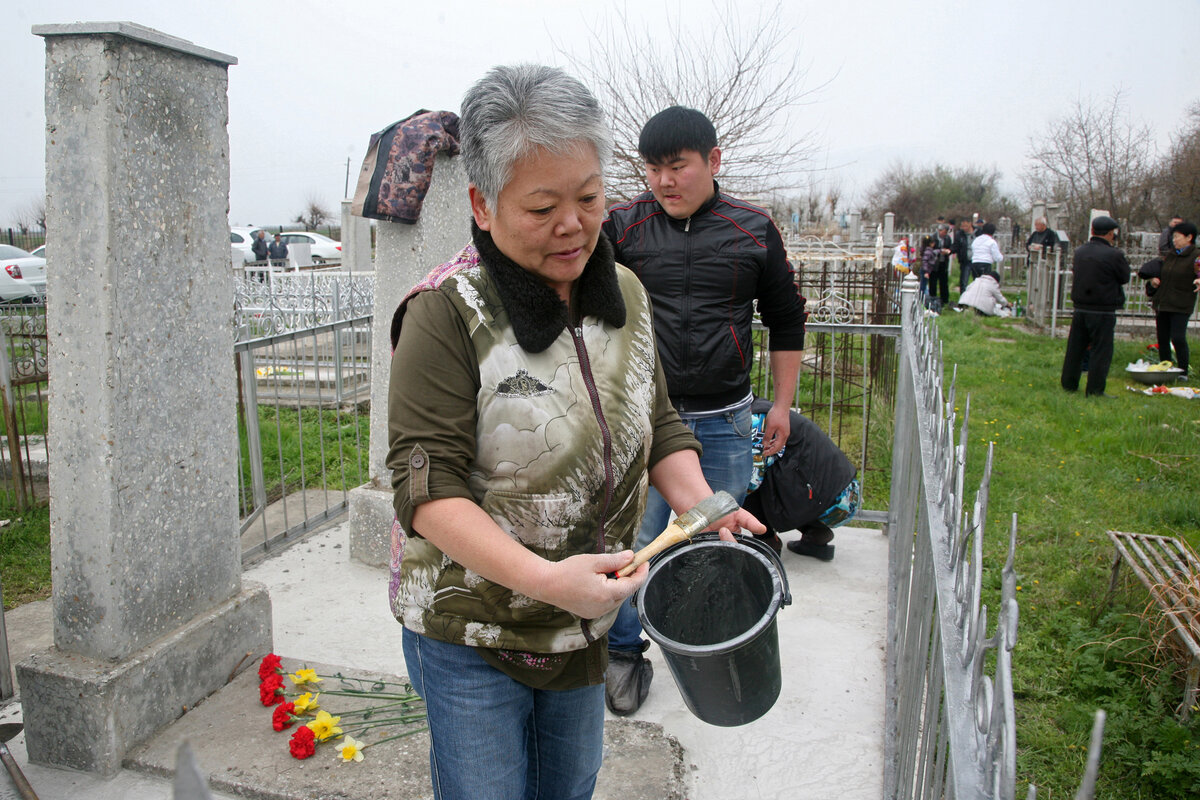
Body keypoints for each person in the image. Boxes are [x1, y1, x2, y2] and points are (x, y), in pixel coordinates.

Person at [386, 65, 763, 800]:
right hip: (474, 632)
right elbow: (426, 492)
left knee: (570, 787)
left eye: (589, 198)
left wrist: (704, 509)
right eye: (542, 206)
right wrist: (544, 581)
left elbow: (654, 420)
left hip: (583, 623)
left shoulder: (621, 290)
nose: (573, 224)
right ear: (482, 204)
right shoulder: (446, 313)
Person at [601, 105, 807, 717]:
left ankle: (710, 641)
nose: (665, 181)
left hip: (723, 419)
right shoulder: (623, 228)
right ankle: (623, 653)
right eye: (653, 168)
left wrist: (785, 407)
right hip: (644, 421)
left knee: (719, 537)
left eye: (678, 166)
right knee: (635, 542)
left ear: (713, 161)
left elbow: (787, 317)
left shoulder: (751, 228)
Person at [743, 398, 859, 562]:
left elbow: (751, 481)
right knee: (763, 469)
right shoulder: (765, 408)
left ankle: (767, 542)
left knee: (743, 479)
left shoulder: (755, 418)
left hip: (833, 501)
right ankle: (815, 533)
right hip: (840, 496)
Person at [1060, 215, 1131, 397]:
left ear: (1092, 231)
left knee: (1076, 348)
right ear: (1110, 234)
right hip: (1103, 308)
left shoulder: (1081, 251)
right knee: (1101, 350)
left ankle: (1069, 383)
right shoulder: (1114, 255)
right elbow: (1124, 277)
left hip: (1081, 306)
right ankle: (1095, 389)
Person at [1147, 221, 1200, 379]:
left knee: (1177, 337)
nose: (1174, 240)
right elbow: (1160, 271)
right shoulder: (1170, 255)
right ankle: (1165, 368)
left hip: (1181, 303)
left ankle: (1182, 371)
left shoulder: (1196, 256)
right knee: (1162, 338)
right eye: (1173, 237)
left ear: (1189, 237)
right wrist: (1153, 279)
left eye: (1177, 237)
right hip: (1163, 302)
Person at [929, 223, 953, 309]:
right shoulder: (933, 238)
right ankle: (932, 299)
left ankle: (944, 300)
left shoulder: (947, 239)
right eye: (943, 232)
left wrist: (948, 251)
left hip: (943, 262)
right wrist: (939, 251)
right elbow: (929, 249)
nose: (944, 234)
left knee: (944, 282)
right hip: (934, 263)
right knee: (933, 282)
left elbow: (950, 247)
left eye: (946, 232)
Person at [953, 218, 974, 292]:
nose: (964, 228)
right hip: (965, 260)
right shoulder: (959, 234)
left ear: (970, 224)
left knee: (978, 281)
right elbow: (956, 246)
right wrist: (949, 250)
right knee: (964, 281)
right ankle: (963, 299)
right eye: (962, 226)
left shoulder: (978, 233)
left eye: (966, 226)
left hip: (976, 260)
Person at [918, 234, 936, 300]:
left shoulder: (926, 250)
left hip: (925, 270)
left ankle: (922, 297)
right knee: (923, 285)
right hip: (925, 271)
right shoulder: (928, 251)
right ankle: (921, 298)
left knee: (924, 284)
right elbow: (925, 262)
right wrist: (926, 272)